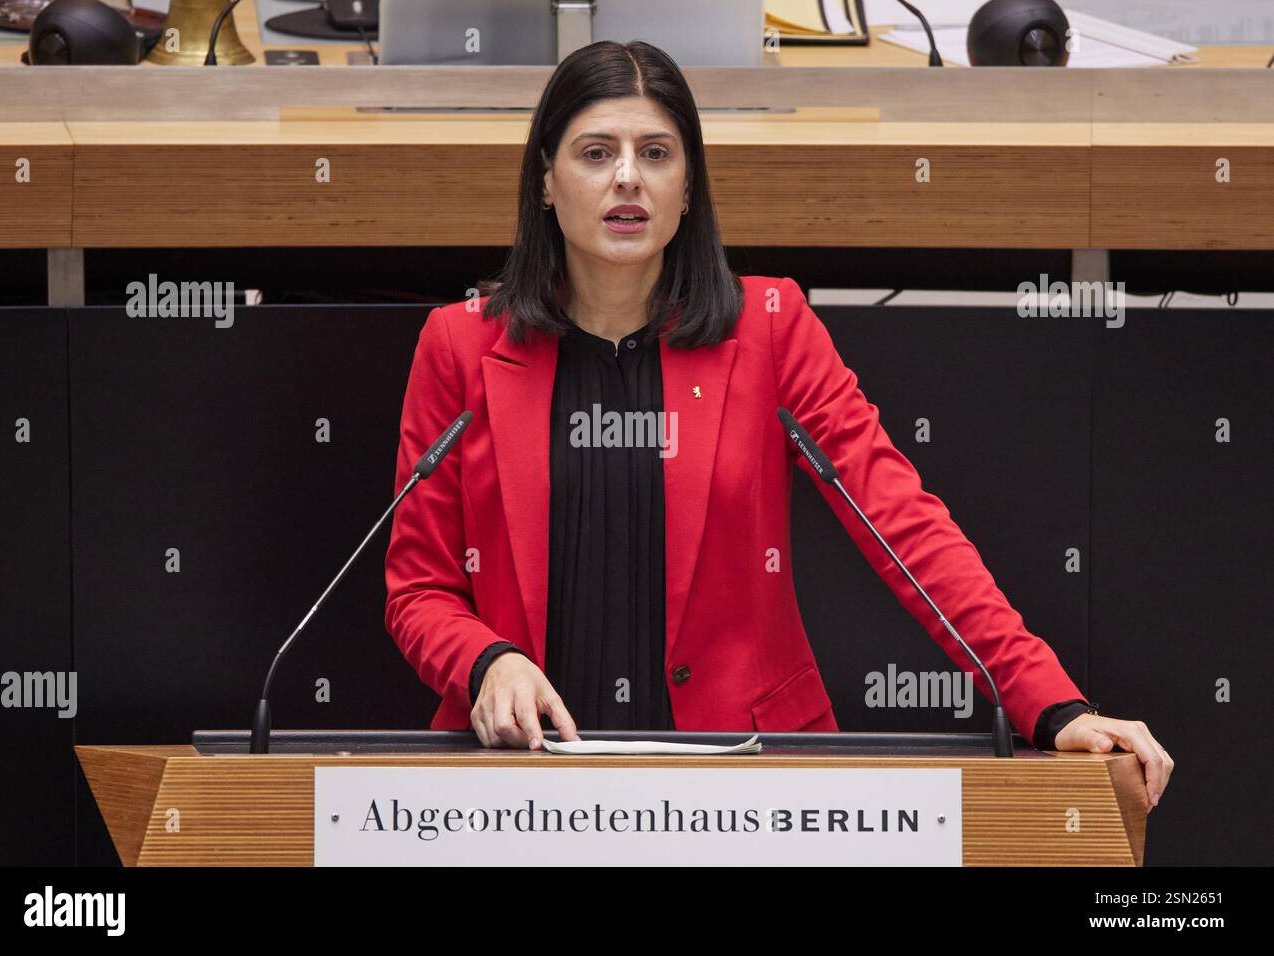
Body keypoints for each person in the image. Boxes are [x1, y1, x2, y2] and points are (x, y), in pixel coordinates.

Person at [383, 40, 1172, 809]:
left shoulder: (769, 327)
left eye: (656, 153)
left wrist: (1052, 706)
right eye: (595, 153)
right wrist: (487, 662)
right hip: (520, 784)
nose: (627, 177)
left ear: (689, 188)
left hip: (742, 783)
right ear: (546, 182)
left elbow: (904, 525)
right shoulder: (460, 345)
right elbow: (418, 589)